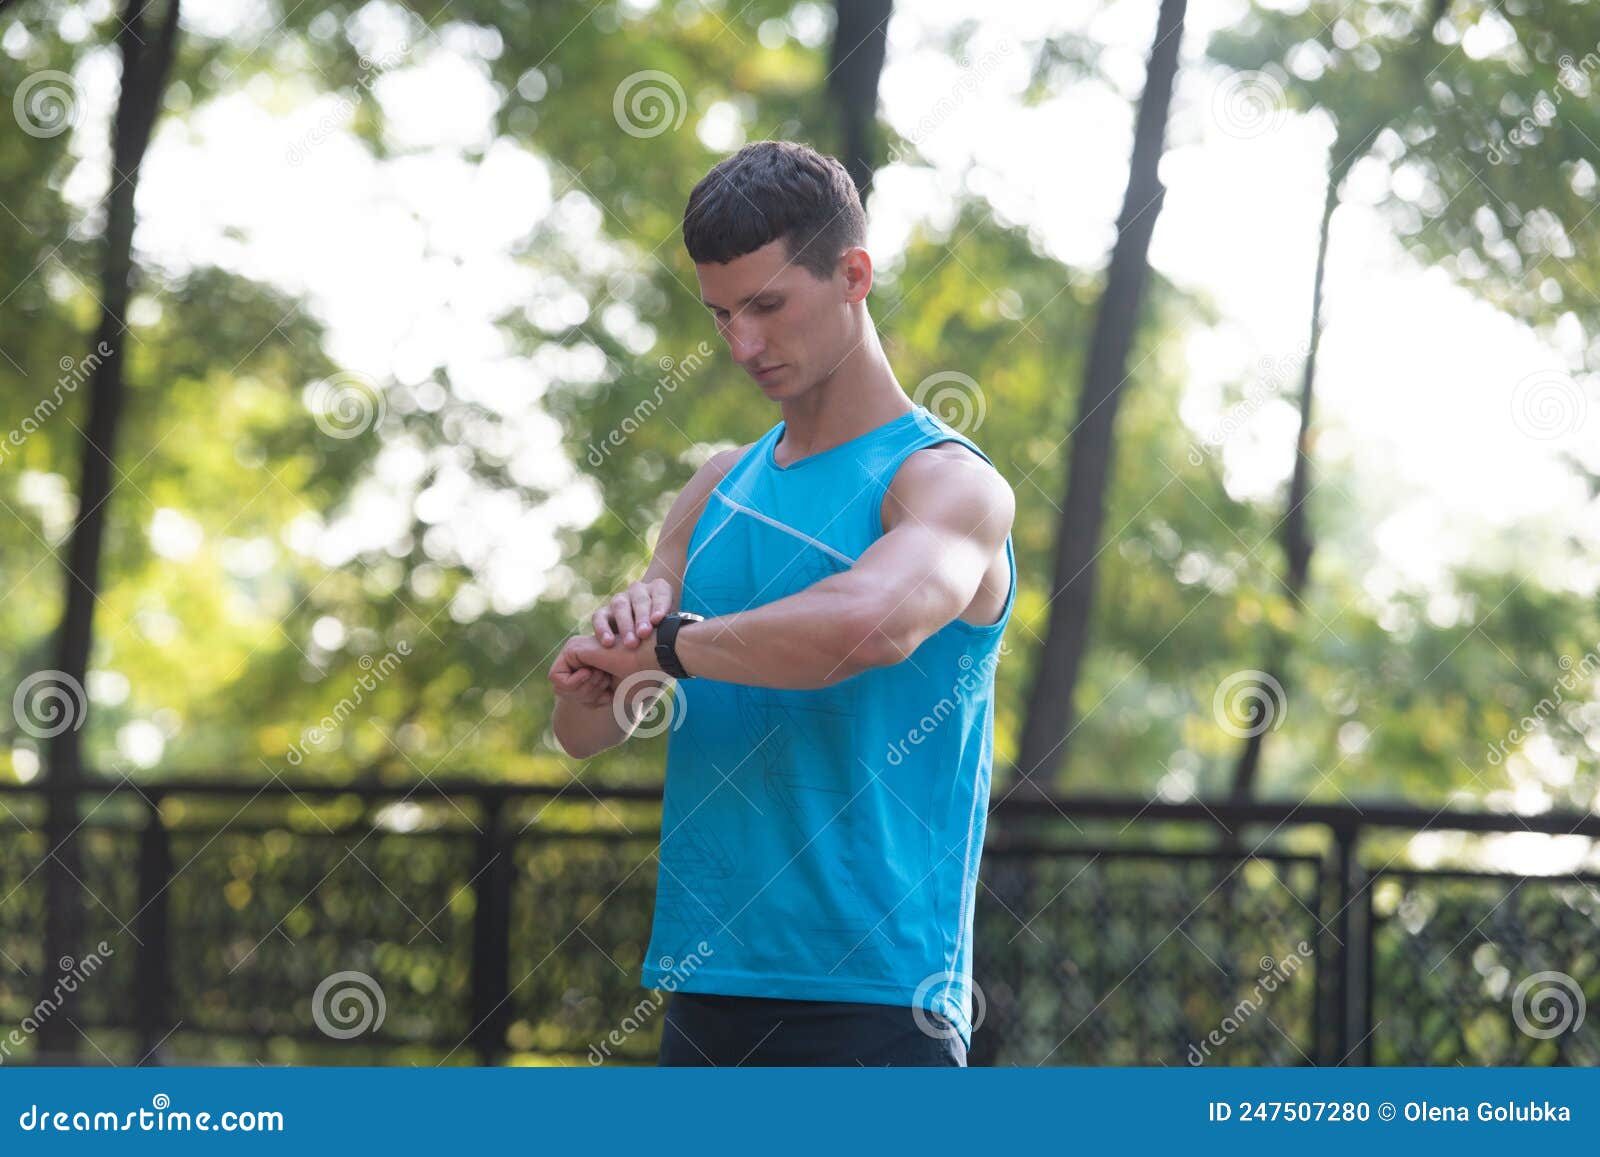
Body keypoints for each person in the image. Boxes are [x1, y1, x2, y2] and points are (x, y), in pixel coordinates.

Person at [549, 140, 1015, 1066]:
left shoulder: (947, 485)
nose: (742, 345)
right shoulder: (718, 484)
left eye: (767, 305)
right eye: (721, 314)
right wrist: (598, 674)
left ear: (854, 274)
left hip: (878, 999)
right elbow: (590, 732)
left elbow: (867, 622)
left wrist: (675, 645)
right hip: (705, 979)